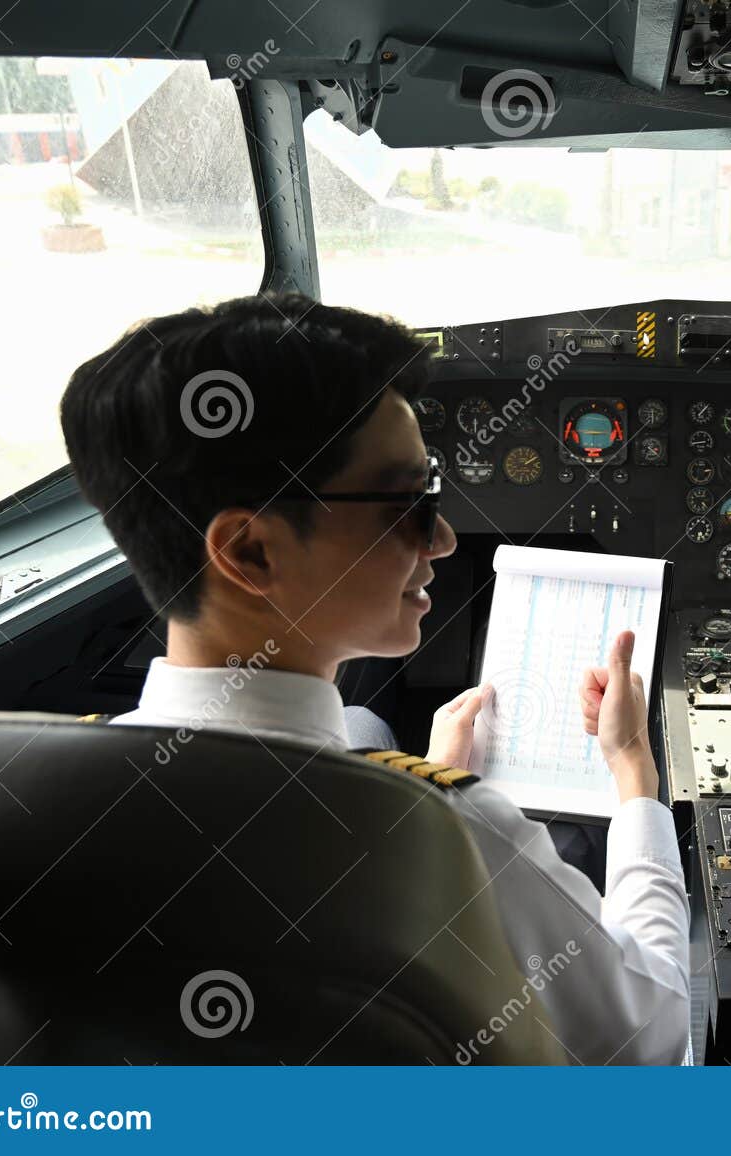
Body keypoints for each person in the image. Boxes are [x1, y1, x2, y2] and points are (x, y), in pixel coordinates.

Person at [58, 293, 689, 1065]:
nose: (447, 537)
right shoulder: (459, 837)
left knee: (363, 731)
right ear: (252, 553)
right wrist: (635, 783)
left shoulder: (44, 799)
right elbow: (654, 1041)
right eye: (408, 504)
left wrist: (432, 782)